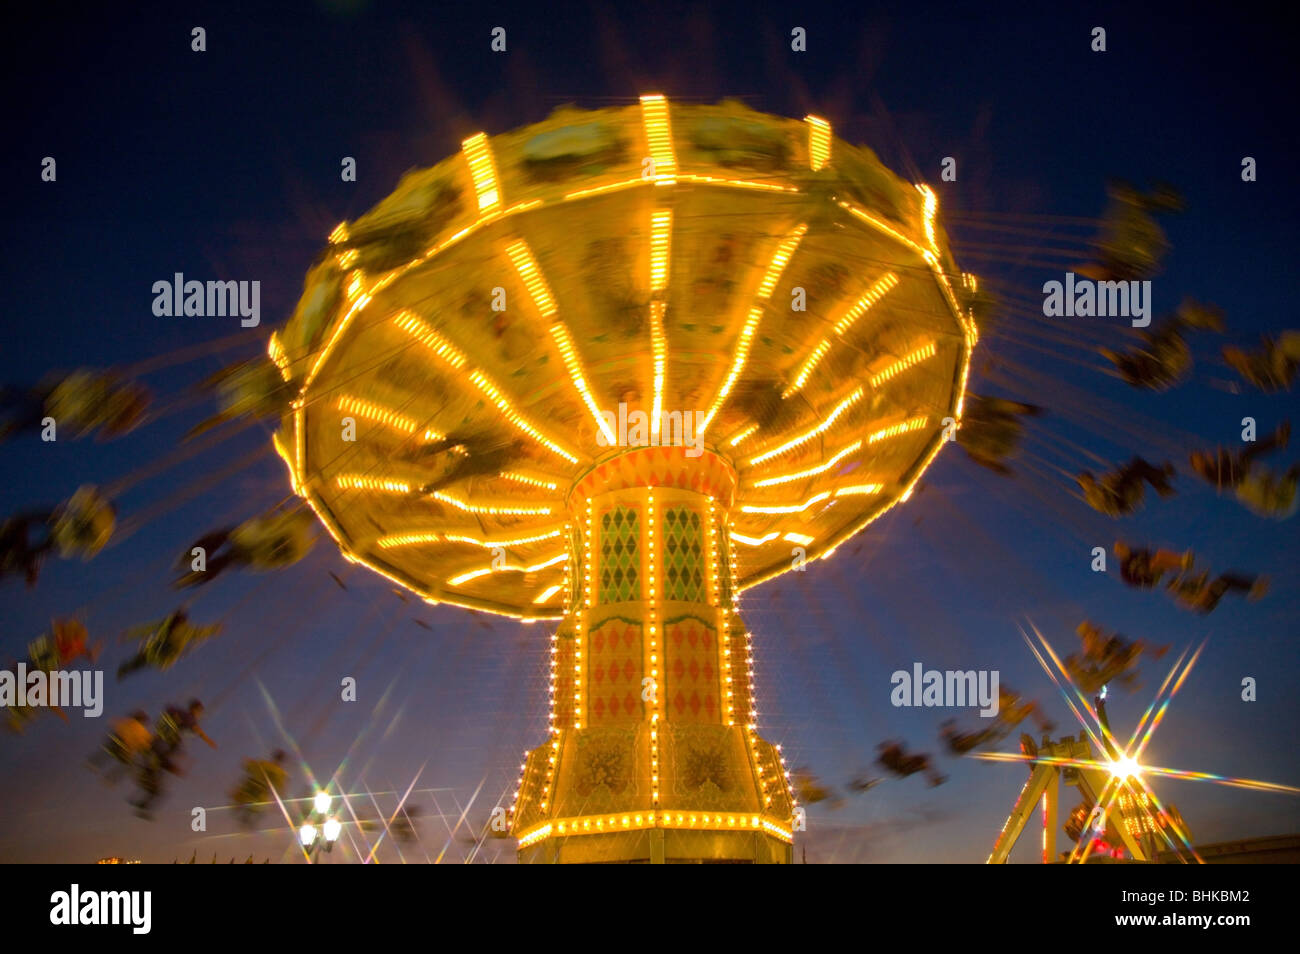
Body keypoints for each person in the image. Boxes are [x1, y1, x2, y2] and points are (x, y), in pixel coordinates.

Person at [117, 610, 222, 678]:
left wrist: (214, 629)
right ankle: (126, 669)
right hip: (160, 649)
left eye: (177, 622)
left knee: (147, 657)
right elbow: (148, 628)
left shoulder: (187, 630)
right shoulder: (167, 625)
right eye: (174, 622)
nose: (175, 624)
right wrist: (129, 635)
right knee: (144, 657)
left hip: (169, 654)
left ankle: (128, 668)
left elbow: (201, 632)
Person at [1189, 421, 1290, 491]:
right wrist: (1219, 460)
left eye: (1200, 456)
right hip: (1237, 475)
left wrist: (1223, 455)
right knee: (1249, 452)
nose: (1202, 457)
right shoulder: (1208, 473)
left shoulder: (1209, 468)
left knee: (1250, 451)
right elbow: (1222, 478)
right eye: (1199, 458)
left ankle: (1278, 440)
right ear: (1197, 466)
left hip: (1237, 472)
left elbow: (1226, 465)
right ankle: (1278, 440)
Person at [1078, 458, 1176, 517]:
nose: (1088, 480)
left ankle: (1162, 486)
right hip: (1120, 499)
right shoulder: (1090, 497)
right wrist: (1108, 482)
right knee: (1137, 466)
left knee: (1138, 465)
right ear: (1082, 485)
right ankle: (1162, 480)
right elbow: (1103, 501)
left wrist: (1113, 478)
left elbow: (1109, 487)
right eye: (1084, 480)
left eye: (1088, 478)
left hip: (1122, 493)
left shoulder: (1098, 487)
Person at [1165, 567, 1268, 614]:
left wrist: (1203, 574)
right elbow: (1195, 603)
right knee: (1226, 581)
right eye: (1175, 585)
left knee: (1227, 580)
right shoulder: (1181, 596)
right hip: (1207, 601)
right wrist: (1206, 592)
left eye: (1177, 582)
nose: (1178, 584)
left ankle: (1253, 589)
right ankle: (1254, 589)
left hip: (1209, 595)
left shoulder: (1187, 584)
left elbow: (1201, 580)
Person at [1223, 330, 1300, 393]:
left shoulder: (1251, 357)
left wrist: (1269, 345)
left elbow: (1269, 357)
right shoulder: (1248, 369)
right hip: (1280, 371)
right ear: (1233, 361)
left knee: (1287, 339)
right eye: (1234, 353)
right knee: (1288, 344)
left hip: (1282, 365)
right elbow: (1267, 377)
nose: (1237, 350)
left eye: (1235, 350)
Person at [1113, 541, 1193, 588]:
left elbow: (1149, 555)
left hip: (1152, 568)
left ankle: (1182, 563)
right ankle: (1182, 564)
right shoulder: (1124, 567)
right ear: (1119, 555)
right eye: (1121, 550)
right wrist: (1141, 579)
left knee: (1159, 556)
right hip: (1148, 578)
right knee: (1156, 561)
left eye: (1124, 547)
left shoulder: (1136, 553)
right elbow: (1129, 581)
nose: (1125, 549)